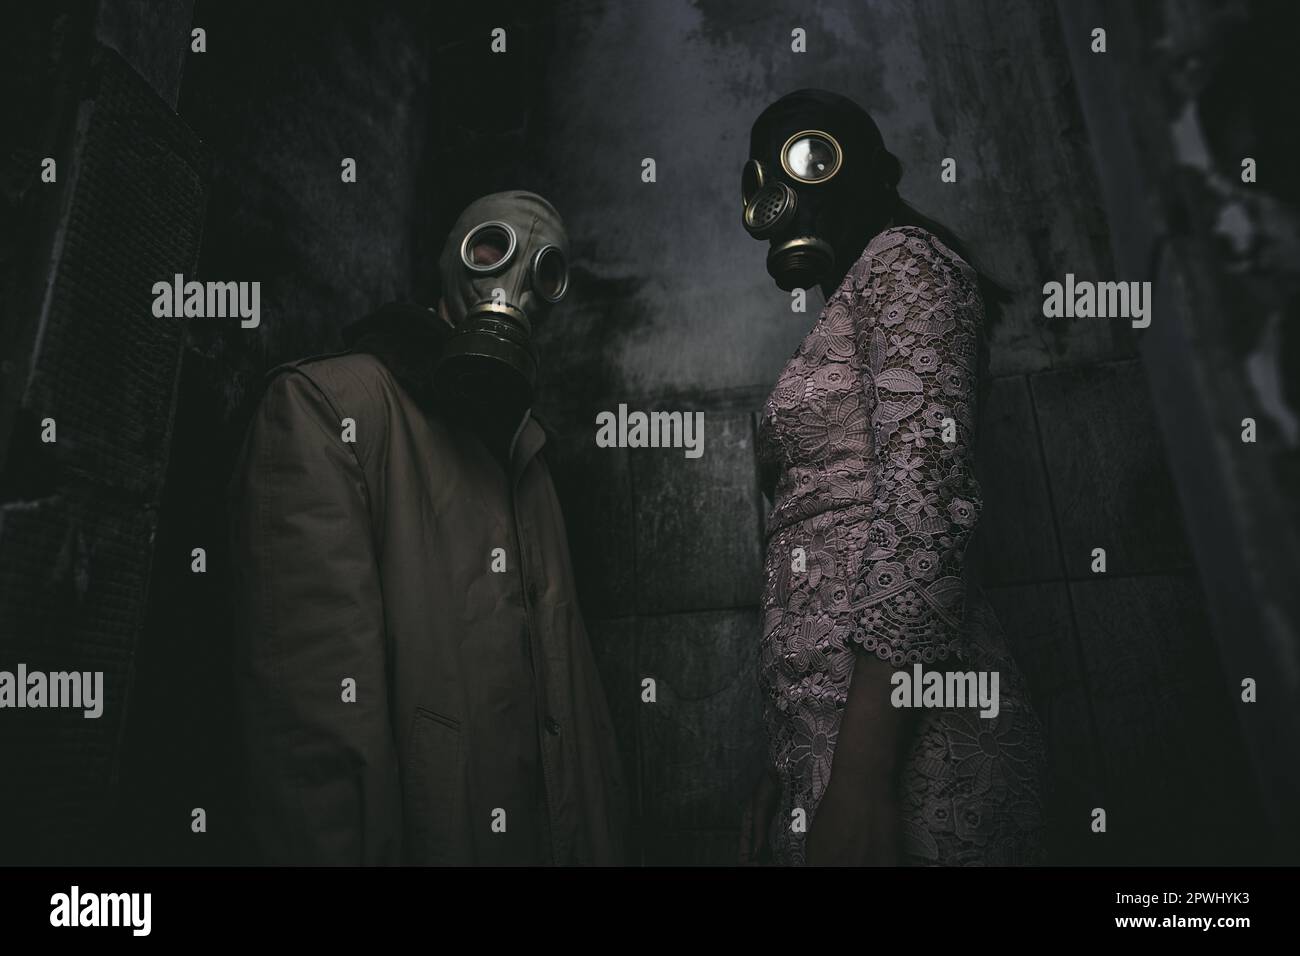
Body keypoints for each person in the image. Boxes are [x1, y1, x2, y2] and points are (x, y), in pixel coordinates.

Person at [228, 190, 627, 865]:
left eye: (545, 272)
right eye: (492, 249)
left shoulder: (528, 458)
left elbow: (573, 713)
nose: (513, 286)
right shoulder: (328, 410)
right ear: (450, 260)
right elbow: (316, 743)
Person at [737, 90, 1047, 866]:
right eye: (766, 174)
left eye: (811, 157)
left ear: (877, 172)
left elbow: (925, 503)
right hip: (834, 741)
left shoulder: (906, 261)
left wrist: (866, 777)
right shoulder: (851, 299)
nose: (788, 189)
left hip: (911, 745)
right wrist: (788, 759)